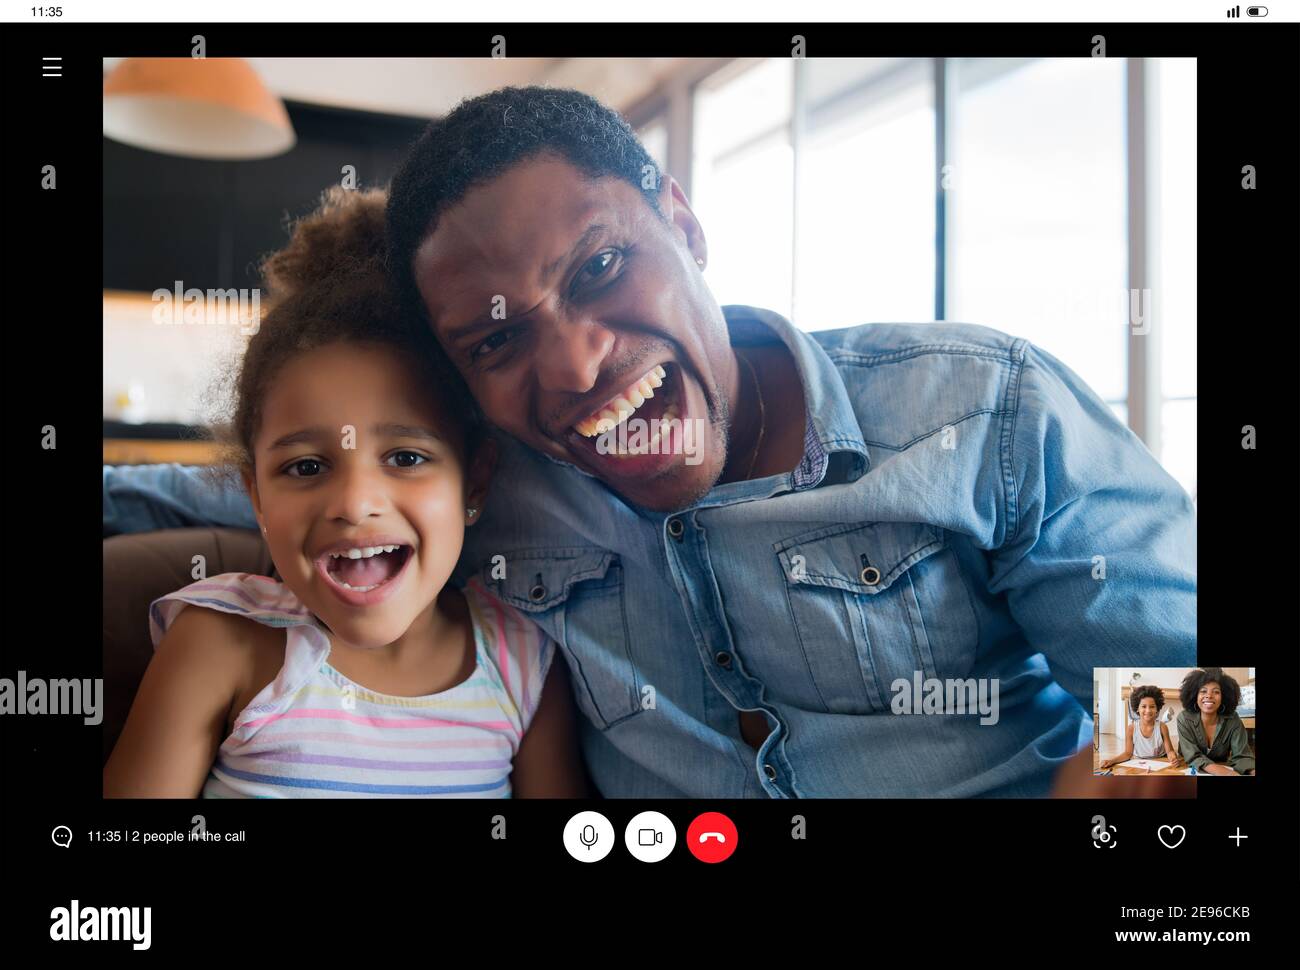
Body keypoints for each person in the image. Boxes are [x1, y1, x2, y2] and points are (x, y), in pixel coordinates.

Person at [104, 86, 1197, 797]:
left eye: (597, 269)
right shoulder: (486, 481)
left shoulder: (980, 411)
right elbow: (238, 491)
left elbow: (1199, 678)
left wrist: (1136, 773)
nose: (575, 366)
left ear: (680, 221)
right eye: (497, 341)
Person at [103, 187, 586, 798]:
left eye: (406, 457)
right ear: (255, 496)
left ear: (476, 480)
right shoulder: (218, 642)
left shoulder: (525, 664)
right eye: (305, 467)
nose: (355, 504)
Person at [1176, 668, 1255, 776]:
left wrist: (1252, 771)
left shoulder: (1233, 719)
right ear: (1195, 696)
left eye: (1216, 692)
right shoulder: (1184, 718)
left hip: (1222, 765)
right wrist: (1226, 773)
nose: (1209, 695)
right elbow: (1192, 756)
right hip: (1187, 769)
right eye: (1203, 691)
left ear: (1224, 697)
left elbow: (1242, 755)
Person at [1098, 685, 1182, 770]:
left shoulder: (1162, 727)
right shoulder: (1131, 729)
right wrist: (1111, 761)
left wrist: (1173, 758)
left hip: (1160, 762)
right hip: (1140, 764)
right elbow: (1127, 753)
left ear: (1157, 708)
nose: (1148, 710)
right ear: (1137, 708)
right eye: (1143, 706)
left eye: (1152, 706)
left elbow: (1170, 751)